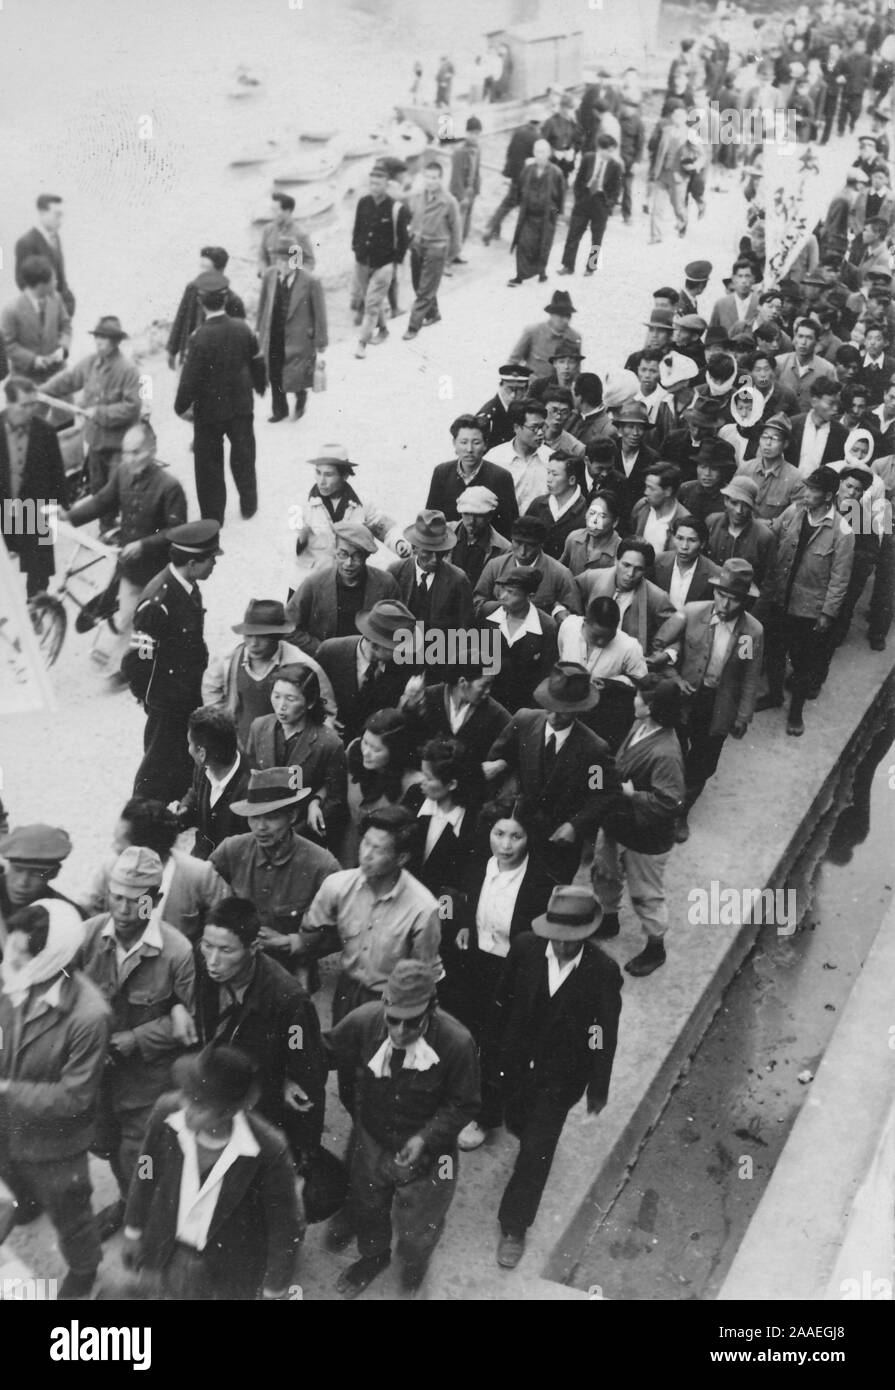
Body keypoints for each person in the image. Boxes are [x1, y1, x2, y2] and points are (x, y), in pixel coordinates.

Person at [322, 960, 479, 1297]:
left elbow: (465, 1103)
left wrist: (426, 1138)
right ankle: (374, 1257)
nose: (399, 1033)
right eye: (393, 1021)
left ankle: (414, 1262)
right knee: (368, 1204)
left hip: (430, 1153)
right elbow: (325, 1050)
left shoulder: (457, 1043)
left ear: (431, 1009)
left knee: (421, 1222)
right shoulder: (365, 1020)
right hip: (373, 1138)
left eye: (412, 1023)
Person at [493, 885, 622, 1268]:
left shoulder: (603, 972)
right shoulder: (525, 948)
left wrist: (598, 1086)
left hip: (561, 1077)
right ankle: (521, 1127)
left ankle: (514, 1225)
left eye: (573, 941)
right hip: (516, 1066)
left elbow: (602, 1034)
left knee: (536, 1151)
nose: (563, 947)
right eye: (557, 938)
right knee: (517, 1122)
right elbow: (503, 1002)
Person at [76, 846, 196, 1240]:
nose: (124, 910)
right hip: (97, 1075)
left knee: (139, 1155)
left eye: (136, 901)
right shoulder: (89, 936)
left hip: (147, 1081)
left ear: (156, 901)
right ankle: (131, 1204)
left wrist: (139, 1037)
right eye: (117, 898)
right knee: (105, 1143)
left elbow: (196, 1022)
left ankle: (142, 1217)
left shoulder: (177, 951)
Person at [121, 1044, 303, 1301]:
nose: (186, 1109)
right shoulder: (166, 1111)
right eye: (187, 1095)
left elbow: (285, 1225)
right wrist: (133, 1230)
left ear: (228, 1112)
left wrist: (274, 1289)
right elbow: (146, 1171)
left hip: (228, 1269)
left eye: (200, 1105)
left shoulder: (269, 1150)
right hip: (164, 1251)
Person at [296, 806, 442, 1113]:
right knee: (347, 1078)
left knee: (379, 1084)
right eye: (365, 843)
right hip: (347, 993)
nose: (367, 854)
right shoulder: (338, 886)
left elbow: (423, 975)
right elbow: (311, 934)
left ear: (402, 858)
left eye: (379, 849)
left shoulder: (423, 908)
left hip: (390, 1001)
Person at [0, 900, 108, 1301]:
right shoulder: (12, 980)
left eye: (22, 955)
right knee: (14, 1187)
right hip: (7, 1129)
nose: (10, 961)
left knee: (71, 1215)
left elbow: (76, 1096)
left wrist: (7, 1090)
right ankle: (27, 1203)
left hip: (55, 1146)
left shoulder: (89, 1016)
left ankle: (84, 1268)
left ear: (52, 957)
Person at [447, 796, 555, 1151]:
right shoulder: (478, 862)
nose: (505, 845)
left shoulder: (540, 881)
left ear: (530, 838)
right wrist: (465, 924)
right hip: (475, 962)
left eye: (516, 837)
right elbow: (466, 897)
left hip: (514, 972)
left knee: (500, 1046)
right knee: (466, 1033)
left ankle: (486, 1115)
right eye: (499, 833)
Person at [191, 898, 326, 1172]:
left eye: (226, 950)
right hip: (215, 1101)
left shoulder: (289, 1002)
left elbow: (307, 1078)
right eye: (207, 946)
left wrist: (303, 1154)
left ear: (253, 948)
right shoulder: (201, 964)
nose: (213, 961)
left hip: (259, 1114)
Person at [61, 420, 187, 682]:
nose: (129, 458)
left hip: (160, 571)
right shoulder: (122, 473)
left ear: (152, 449)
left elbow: (177, 532)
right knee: (128, 616)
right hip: (131, 568)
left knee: (151, 621)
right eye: (126, 452)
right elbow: (102, 501)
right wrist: (70, 516)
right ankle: (132, 666)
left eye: (136, 451)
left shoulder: (169, 486)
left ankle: (141, 667)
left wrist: (143, 544)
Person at [651, 559, 764, 841]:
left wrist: (743, 716)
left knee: (701, 764)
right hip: (684, 699)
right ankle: (660, 803)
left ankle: (680, 812)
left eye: (733, 599)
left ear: (744, 601)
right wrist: (675, 679)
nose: (724, 605)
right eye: (720, 595)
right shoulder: (692, 613)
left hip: (719, 705)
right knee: (671, 753)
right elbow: (659, 646)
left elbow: (749, 675)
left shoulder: (752, 632)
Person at [483, 662, 619, 883]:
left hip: (558, 844)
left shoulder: (594, 750)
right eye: (549, 708)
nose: (554, 717)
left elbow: (603, 794)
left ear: (579, 709)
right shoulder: (524, 721)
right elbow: (497, 760)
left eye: (563, 712)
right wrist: (502, 767)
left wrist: (575, 825)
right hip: (517, 833)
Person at [591, 675, 685, 976]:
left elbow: (671, 802)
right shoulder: (640, 725)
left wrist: (634, 794)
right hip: (619, 820)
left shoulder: (666, 752)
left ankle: (655, 948)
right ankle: (608, 918)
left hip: (647, 836)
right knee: (604, 872)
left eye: (640, 699)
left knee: (645, 894)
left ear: (652, 708)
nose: (635, 701)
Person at [210, 768, 340, 985]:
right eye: (254, 817)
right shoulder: (231, 850)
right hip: (235, 968)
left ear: (292, 816)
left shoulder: (323, 866)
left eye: (271, 817)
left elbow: (342, 930)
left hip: (290, 972)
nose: (261, 827)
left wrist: (292, 942)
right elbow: (203, 894)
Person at [129, 520, 222, 805]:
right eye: (211, 560)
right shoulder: (159, 602)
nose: (214, 565)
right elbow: (139, 658)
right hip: (167, 701)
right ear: (192, 563)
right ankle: (140, 820)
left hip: (187, 693)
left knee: (185, 758)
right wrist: (151, 699)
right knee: (157, 765)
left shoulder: (188, 586)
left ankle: (177, 811)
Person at [756, 466, 855, 735]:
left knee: (802, 664)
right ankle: (775, 695)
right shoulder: (793, 512)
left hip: (809, 609)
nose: (806, 493)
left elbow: (840, 579)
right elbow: (771, 533)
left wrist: (827, 614)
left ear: (827, 496)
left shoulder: (842, 532)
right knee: (775, 652)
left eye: (813, 490)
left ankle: (796, 713)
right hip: (780, 599)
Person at [173, 273, 262, 524]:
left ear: (201, 301)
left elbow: (189, 380)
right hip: (241, 405)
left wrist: (180, 407)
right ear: (225, 299)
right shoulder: (242, 328)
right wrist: (259, 386)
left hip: (209, 412)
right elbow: (256, 360)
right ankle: (249, 505)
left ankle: (214, 518)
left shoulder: (198, 337)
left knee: (209, 466)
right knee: (244, 456)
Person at [42, 315, 141, 524]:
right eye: (97, 338)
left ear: (115, 342)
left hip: (118, 445)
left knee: (120, 490)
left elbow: (132, 408)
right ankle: (107, 530)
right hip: (96, 443)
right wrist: (41, 391)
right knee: (98, 489)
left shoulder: (128, 369)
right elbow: (68, 380)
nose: (98, 342)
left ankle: (128, 530)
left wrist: (100, 412)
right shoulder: (90, 363)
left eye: (103, 339)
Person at [82, 797, 228, 938]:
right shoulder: (111, 868)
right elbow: (86, 910)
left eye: (121, 849)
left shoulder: (200, 875)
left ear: (148, 850)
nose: (113, 850)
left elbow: (227, 925)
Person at [203, 598, 336, 743]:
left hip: (285, 745)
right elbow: (211, 689)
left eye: (262, 637)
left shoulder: (302, 664)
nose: (253, 644)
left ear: (277, 636)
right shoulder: (229, 658)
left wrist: (310, 745)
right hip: (240, 742)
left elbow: (327, 710)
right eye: (249, 635)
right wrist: (222, 727)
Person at [244, 664, 347, 848]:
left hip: (302, 836)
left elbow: (335, 797)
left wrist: (315, 804)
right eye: (276, 696)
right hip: (262, 830)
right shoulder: (259, 727)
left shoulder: (329, 743)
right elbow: (249, 777)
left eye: (290, 699)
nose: (281, 706)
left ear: (309, 702)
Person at [289, 442, 408, 594]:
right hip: (307, 585)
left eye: (329, 474)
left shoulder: (362, 503)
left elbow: (385, 528)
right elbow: (286, 541)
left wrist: (399, 543)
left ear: (344, 475)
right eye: (318, 472)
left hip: (347, 584)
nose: (321, 481)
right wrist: (300, 539)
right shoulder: (300, 504)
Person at [0, 376, 69, 599]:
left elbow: (58, 473)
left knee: (38, 570)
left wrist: (60, 506)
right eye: (24, 405)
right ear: (9, 403)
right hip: (3, 506)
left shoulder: (45, 432)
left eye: (33, 404)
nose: (30, 411)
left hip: (33, 508)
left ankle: (39, 611)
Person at [287, 522, 400, 654]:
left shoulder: (386, 583)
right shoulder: (314, 584)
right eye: (343, 554)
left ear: (366, 556)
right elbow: (288, 627)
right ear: (334, 550)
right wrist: (322, 649)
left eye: (356, 556)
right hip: (325, 664)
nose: (348, 563)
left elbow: (398, 629)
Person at [316, 600, 416, 744]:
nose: (403, 652)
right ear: (375, 646)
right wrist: (323, 720)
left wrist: (408, 702)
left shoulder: (405, 665)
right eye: (396, 648)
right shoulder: (330, 652)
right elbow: (307, 695)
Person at [256, 239, 327, 423]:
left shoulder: (311, 281)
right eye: (278, 261)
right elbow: (263, 305)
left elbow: (320, 313)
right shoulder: (270, 276)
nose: (281, 266)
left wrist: (321, 341)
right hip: (274, 333)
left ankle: (300, 398)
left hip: (300, 336)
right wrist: (259, 331)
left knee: (296, 372)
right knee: (274, 371)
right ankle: (280, 410)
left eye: (286, 261)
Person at [340, 709, 422, 869]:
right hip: (347, 846)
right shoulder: (353, 751)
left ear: (395, 751)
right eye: (365, 742)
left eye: (376, 749)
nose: (366, 753)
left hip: (379, 857)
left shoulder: (412, 783)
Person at [403, 736, 483, 897]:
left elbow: (457, 888)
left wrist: (444, 919)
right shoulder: (415, 797)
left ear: (452, 784)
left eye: (429, 778)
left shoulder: (473, 822)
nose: (421, 782)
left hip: (442, 909)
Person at [399, 660, 511, 766]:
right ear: (462, 682)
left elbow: (517, 739)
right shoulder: (430, 696)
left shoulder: (495, 712)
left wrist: (500, 764)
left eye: (490, 685)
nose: (488, 691)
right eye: (484, 685)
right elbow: (404, 736)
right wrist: (409, 704)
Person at [351, 162, 411, 358]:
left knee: (371, 306)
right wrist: (356, 249)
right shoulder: (363, 202)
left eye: (378, 184)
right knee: (372, 301)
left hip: (384, 265)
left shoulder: (396, 209)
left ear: (387, 185)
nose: (374, 187)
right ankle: (383, 330)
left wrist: (395, 264)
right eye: (371, 183)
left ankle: (361, 344)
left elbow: (403, 240)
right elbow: (357, 228)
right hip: (362, 261)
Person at [173, 707, 250, 860]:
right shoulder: (204, 766)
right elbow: (195, 792)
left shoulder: (249, 788)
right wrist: (182, 811)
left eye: (190, 743)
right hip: (203, 856)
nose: (188, 749)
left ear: (202, 754)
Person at [576, 540, 677, 654]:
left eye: (638, 569)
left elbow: (676, 631)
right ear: (616, 561)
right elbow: (566, 593)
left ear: (645, 570)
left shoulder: (656, 597)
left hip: (628, 659)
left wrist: (667, 654)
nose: (630, 574)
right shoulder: (592, 578)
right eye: (626, 565)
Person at [426, 414, 518, 537]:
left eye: (476, 442)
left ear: (485, 444)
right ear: (454, 443)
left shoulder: (501, 477)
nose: (469, 449)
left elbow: (509, 526)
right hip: (448, 546)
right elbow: (431, 517)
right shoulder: (442, 472)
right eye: (463, 442)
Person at [475, 514, 579, 622]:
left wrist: (558, 610)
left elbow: (573, 618)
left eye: (530, 545)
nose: (523, 551)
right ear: (511, 540)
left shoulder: (560, 573)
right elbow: (477, 603)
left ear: (541, 545)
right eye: (518, 543)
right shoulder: (495, 566)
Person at [387, 509, 475, 633]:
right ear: (414, 548)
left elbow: (465, 630)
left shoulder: (458, 580)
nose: (434, 559)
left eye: (440, 552)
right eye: (427, 552)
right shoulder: (395, 572)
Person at [485, 566, 558, 713]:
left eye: (511, 593)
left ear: (530, 597)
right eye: (503, 590)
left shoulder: (547, 627)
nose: (502, 596)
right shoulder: (487, 613)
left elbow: (544, 676)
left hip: (522, 709)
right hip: (486, 702)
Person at [403, 162, 461, 341]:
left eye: (434, 178)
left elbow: (456, 227)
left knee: (425, 290)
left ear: (440, 179)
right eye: (427, 177)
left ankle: (414, 326)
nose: (431, 181)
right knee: (418, 284)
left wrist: (452, 254)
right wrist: (410, 238)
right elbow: (414, 218)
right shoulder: (418, 196)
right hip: (418, 246)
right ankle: (434, 313)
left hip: (436, 248)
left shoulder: (448, 201)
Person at [166, 247, 246, 369]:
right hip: (188, 357)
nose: (201, 272)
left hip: (218, 364)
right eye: (201, 266)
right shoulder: (192, 289)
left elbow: (239, 338)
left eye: (206, 269)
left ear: (221, 270)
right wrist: (171, 350)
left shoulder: (233, 301)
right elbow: (180, 319)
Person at [706, 476, 777, 608]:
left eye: (745, 505)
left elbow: (769, 583)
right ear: (726, 500)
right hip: (711, 601)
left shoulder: (764, 536)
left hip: (745, 606)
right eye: (734, 503)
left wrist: (755, 616)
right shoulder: (712, 523)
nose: (739, 511)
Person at [558, 133, 623, 276]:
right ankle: (568, 266)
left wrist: (608, 205)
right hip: (584, 199)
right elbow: (579, 179)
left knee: (597, 238)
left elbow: (616, 190)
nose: (611, 154)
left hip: (601, 202)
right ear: (600, 149)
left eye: (612, 151)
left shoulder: (615, 166)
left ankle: (591, 267)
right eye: (609, 150)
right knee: (573, 234)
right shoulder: (588, 158)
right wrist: (579, 196)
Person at [1, 255, 71, 384]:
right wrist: (33, 360)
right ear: (41, 285)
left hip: (58, 377)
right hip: (26, 381)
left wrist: (63, 349)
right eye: (53, 279)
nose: (56, 282)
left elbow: (66, 325)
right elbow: (8, 345)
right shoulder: (11, 310)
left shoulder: (56, 299)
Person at [0, 824, 86, 926]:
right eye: (17, 870)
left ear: (53, 873)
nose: (22, 882)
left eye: (36, 874)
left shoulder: (66, 915)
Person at [508, 139, 565, 287]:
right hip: (529, 216)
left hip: (546, 218)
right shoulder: (528, 170)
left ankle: (542, 272)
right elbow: (519, 188)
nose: (540, 155)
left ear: (549, 153)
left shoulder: (556, 173)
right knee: (523, 245)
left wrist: (556, 214)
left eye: (543, 152)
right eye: (538, 151)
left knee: (543, 245)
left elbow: (560, 198)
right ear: (534, 153)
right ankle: (520, 275)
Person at [482, 116, 543, 245]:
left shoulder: (518, 133)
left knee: (506, 204)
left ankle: (492, 227)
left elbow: (510, 152)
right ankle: (522, 238)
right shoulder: (537, 138)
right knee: (525, 208)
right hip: (527, 179)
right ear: (539, 123)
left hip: (515, 176)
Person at [483, 398, 551, 512]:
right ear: (517, 428)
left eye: (542, 427)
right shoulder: (494, 458)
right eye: (534, 428)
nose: (540, 433)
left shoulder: (551, 458)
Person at [15, 193, 76, 316]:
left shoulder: (55, 238)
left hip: (60, 312)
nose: (61, 220)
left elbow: (61, 278)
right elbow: (23, 283)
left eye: (62, 215)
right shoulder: (26, 242)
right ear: (42, 213)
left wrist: (68, 303)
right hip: (40, 314)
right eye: (57, 215)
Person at [738, 415, 808, 519]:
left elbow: (795, 518)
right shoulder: (745, 469)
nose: (768, 443)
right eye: (764, 437)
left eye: (775, 438)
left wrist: (770, 525)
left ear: (785, 444)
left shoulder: (795, 478)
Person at [509, 290, 582, 382]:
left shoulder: (575, 338)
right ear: (551, 315)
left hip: (560, 392)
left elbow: (576, 371)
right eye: (561, 316)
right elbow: (512, 363)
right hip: (533, 390)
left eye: (568, 316)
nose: (566, 320)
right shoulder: (533, 332)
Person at [524, 452, 587, 559]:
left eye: (555, 474)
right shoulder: (538, 504)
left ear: (572, 479)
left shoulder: (586, 511)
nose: (548, 479)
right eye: (548, 472)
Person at [447, 485, 512, 588]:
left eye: (479, 515)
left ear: (490, 516)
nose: (471, 521)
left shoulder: (504, 549)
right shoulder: (444, 532)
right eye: (466, 513)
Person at [646, 100, 691, 244]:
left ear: (686, 118)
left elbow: (701, 155)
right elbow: (659, 153)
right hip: (663, 174)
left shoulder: (690, 134)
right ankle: (655, 236)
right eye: (675, 116)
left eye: (681, 116)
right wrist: (654, 171)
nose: (677, 119)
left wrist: (694, 165)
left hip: (678, 176)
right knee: (657, 207)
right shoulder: (666, 130)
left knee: (678, 206)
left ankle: (683, 220)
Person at [774, 318, 837, 414]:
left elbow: (832, 402)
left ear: (817, 341)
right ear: (794, 338)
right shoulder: (779, 363)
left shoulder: (827, 369)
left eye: (809, 338)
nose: (803, 342)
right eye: (800, 336)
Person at [653, 514, 721, 605]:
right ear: (673, 538)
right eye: (680, 538)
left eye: (692, 540)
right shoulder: (657, 562)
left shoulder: (714, 573)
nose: (684, 546)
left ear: (702, 544)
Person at [788, 380, 848, 475]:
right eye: (831, 403)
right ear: (814, 402)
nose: (835, 408)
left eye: (837, 404)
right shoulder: (792, 425)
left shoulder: (842, 434)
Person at [561, 491, 622, 576]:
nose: (594, 521)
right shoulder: (573, 538)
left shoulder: (621, 551)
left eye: (602, 516)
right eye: (592, 513)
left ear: (615, 522)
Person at [476, 363, 535, 449]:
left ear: (526, 390)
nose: (513, 395)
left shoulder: (529, 411)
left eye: (519, 390)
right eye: (509, 389)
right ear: (500, 386)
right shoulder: (488, 416)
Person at [630, 463, 686, 555]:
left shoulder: (683, 520)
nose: (646, 492)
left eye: (651, 489)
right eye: (646, 486)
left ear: (668, 491)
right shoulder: (642, 506)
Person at [258, 190, 316, 275]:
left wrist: (298, 278)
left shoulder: (301, 234)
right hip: (272, 281)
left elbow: (310, 262)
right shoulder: (267, 230)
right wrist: (264, 272)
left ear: (287, 211)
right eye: (271, 210)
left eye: (275, 211)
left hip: (292, 281)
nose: (272, 214)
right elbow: (262, 256)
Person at [676, 440, 735, 523]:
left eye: (714, 469)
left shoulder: (730, 496)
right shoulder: (685, 489)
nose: (707, 474)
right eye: (703, 467)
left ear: (722, 471)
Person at [449, 117, 482, 258]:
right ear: (466, 133)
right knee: (455, 226)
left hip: (471, 193)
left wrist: (476, 190)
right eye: (472, 133)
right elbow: (455, 178)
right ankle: (448, 259)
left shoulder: (478, 150)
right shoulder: (459, 152)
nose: (475, 136)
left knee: (466, 226)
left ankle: (457, 254)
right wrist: (462, 197)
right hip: (459, 194)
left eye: (477, 133)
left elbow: (477, 171)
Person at [710, 258, 760, 333]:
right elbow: (711, 337)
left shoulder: (760, 303)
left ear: (753, 279)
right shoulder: (721, 304)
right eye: (740, 276)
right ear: (733, 278)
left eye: (747, 276)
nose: (744, 281)